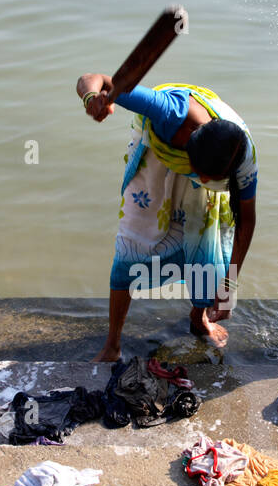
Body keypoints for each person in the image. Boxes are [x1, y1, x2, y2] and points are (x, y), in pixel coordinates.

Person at [76, 74, 257, 362]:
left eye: (214, 178)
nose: (207, 179)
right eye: (202, 174)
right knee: (129, 249)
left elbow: (246, 221)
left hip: (206, 174)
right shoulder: (166, 110)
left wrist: (229, 287)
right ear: (189, 152)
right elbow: (93, 78)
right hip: (156, 164)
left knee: (201, 244)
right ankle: (112, 345)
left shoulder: (242, 160)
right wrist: (91, 98)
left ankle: (199, 318)